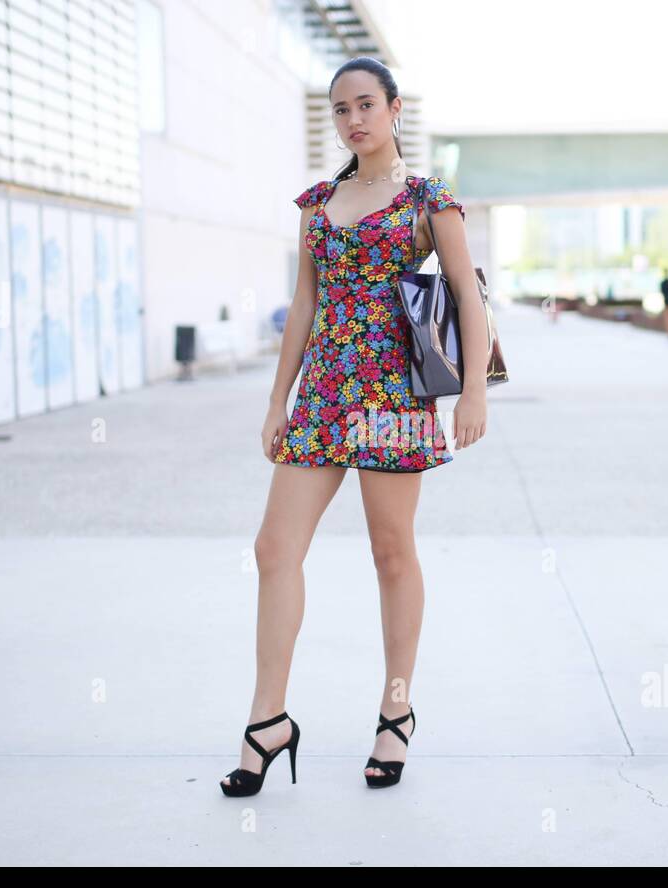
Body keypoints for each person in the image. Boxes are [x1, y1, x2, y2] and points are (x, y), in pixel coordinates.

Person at [220, 57, 489, 795]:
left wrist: (473, 395)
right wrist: (279, 400)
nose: (353, 120)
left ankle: (395, 714)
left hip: (393, 395)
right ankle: (267, 719)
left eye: (366, 104)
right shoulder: (317, 203)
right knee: (274, 548)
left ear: (395, 108)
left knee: (391, 553)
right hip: (325, 395)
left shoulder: (429, 200)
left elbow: (468, 298)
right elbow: (303, 306)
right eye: (341, 110)